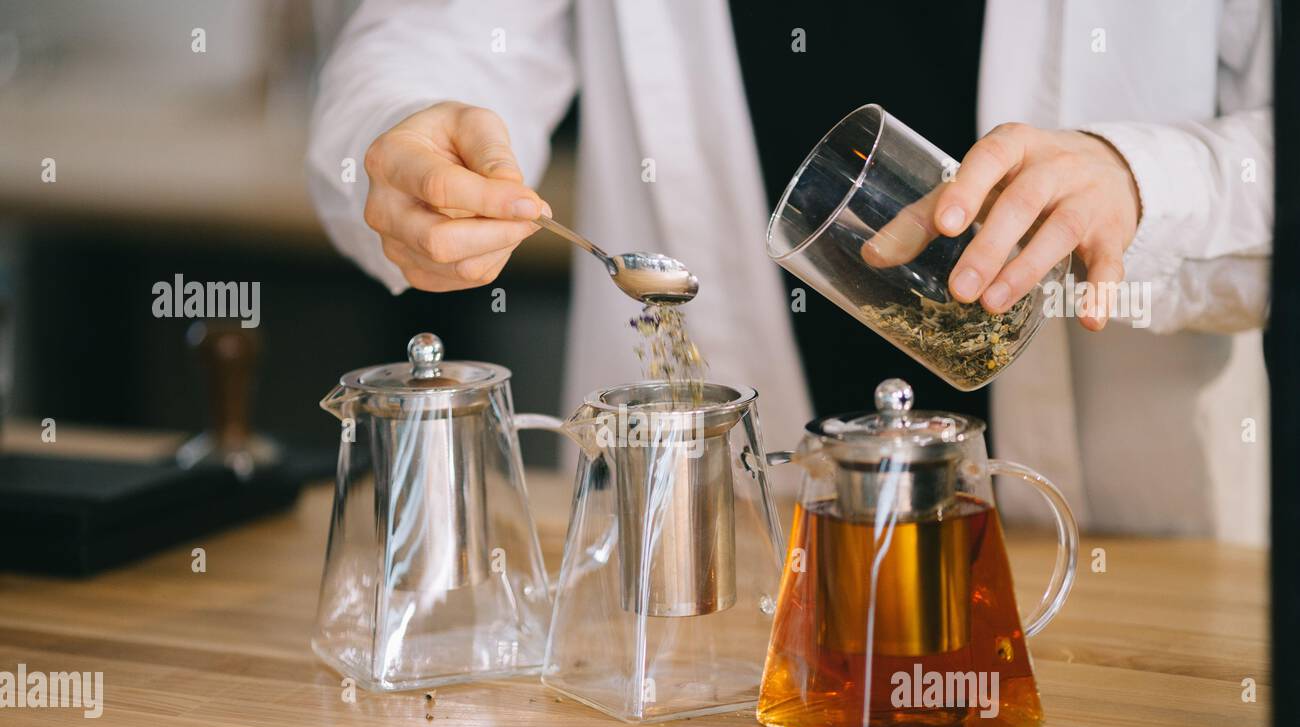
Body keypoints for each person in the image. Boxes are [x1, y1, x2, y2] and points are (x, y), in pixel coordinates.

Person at [308, 0, 1273, 544]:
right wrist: (396, 131)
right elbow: (432, 35)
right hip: (718, 563)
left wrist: (1152, 178)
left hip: (1143, 555)